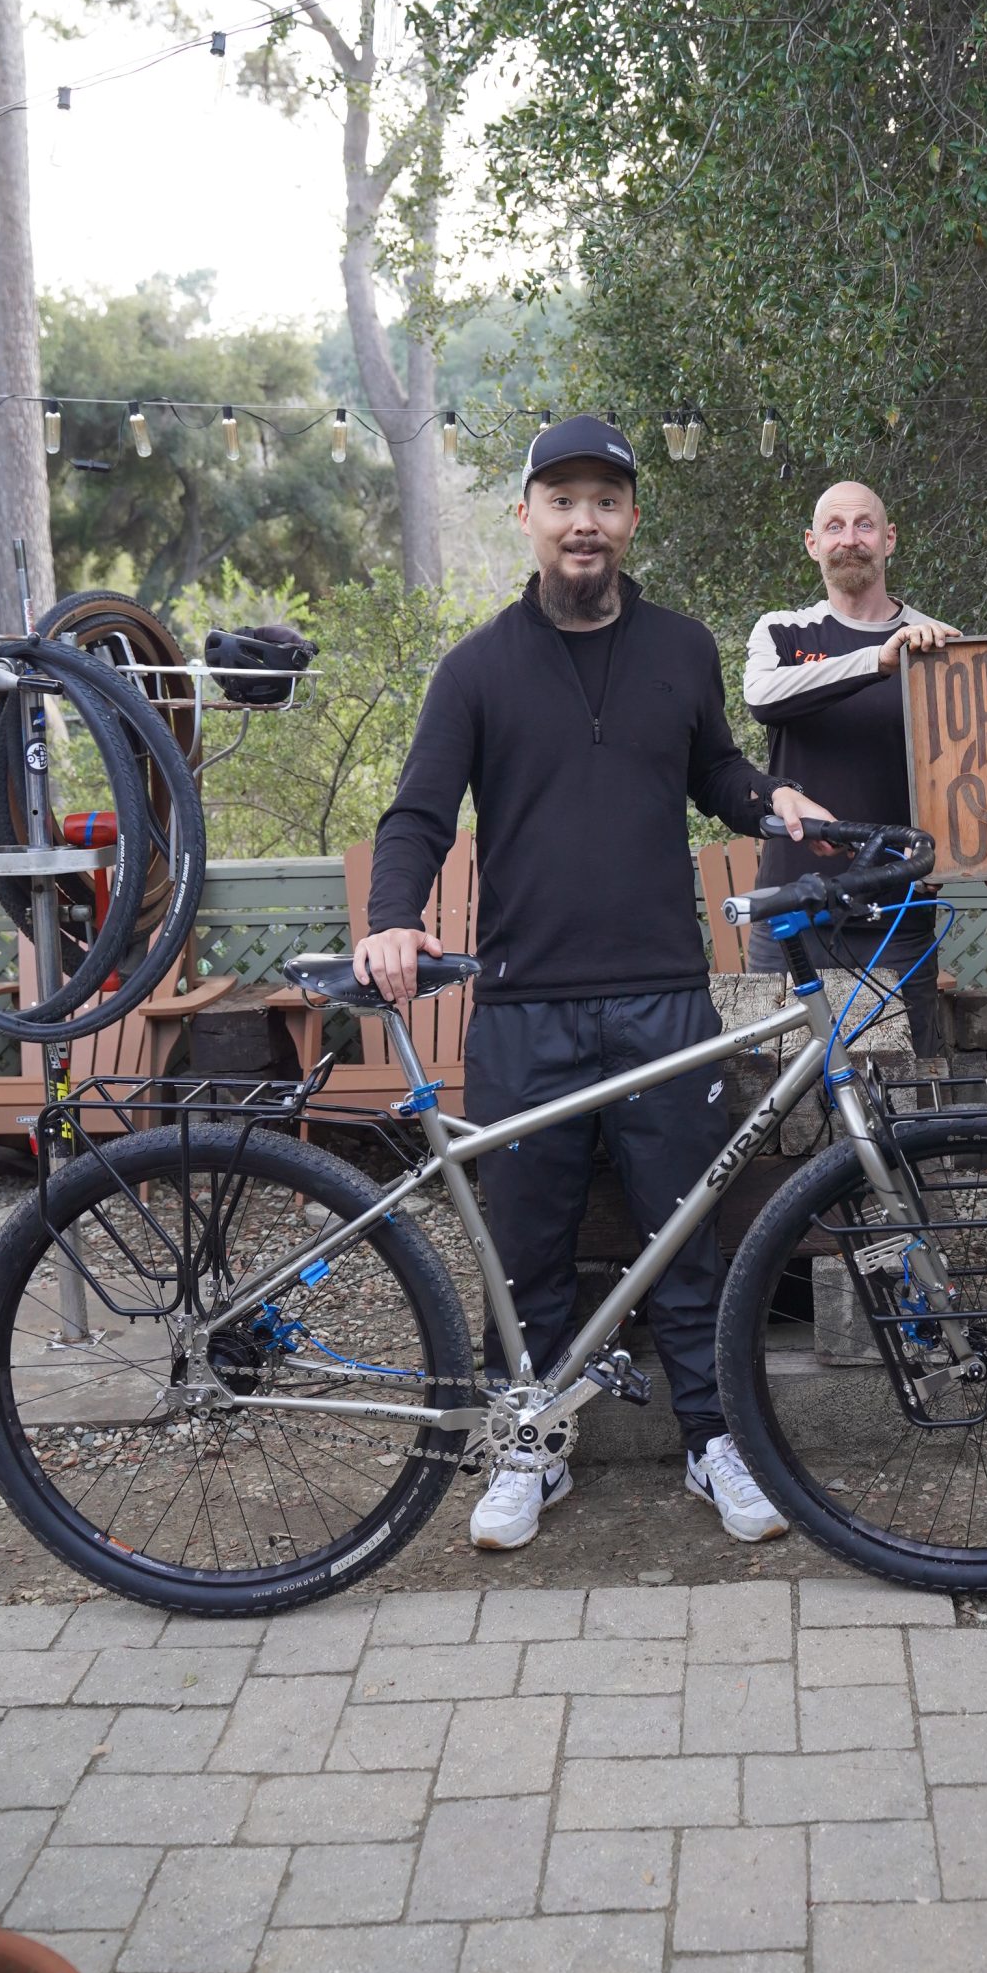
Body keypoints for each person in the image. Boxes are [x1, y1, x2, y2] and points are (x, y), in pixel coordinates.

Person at [358, 414, 833, 1550]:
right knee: (527, 1239)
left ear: (630, 519)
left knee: (686, 1228)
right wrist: (391, 920)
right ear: (527, 516)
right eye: (562, 500)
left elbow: (712, 763)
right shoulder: (475, 668)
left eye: (606, 501)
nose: (585, 521)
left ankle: (715, 1441)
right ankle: (530, 1442)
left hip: (667, 991)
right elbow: (418, 814)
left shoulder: (681, 647)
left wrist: (773, 798)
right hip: (523, 1002)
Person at [744, 481, 959, 1054]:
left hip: (896, 917)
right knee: (777, 1090)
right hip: (791, 912)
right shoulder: (783, 632)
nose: (850, 540)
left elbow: (968, 768)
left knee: (905, 1091)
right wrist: (878, 659)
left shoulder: (934, 643)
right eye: (834, 528)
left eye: (864, 525)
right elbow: (762, 698)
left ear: (888, 540)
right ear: (813, 544)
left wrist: (979, 850)